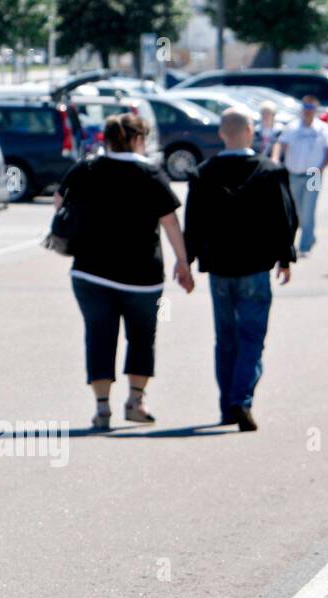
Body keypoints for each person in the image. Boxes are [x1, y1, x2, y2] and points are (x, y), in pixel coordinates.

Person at [54, 113, 194, 430]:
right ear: (136, 138)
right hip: (141, 276)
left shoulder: (86, 168)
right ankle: (135, 402)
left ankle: (102, 408)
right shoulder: (150, 173)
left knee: (99, 336)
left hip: (90, 272)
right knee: (142, 338)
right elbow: (170, 221)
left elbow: (60, 200)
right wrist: (183, 262)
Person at [185, 107, 297, 430]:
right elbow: (284, 218)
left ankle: (227, 406)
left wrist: (187, 261)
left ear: (222, 133)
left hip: (219, 268)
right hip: (254, 266)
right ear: (250, 131)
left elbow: (193, 223)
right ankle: (241, 400)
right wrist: (285, 257)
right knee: (252, 337)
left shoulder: (203, 174)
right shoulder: (269, 171)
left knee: (226, 338)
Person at [272, 95, 328, 257]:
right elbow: (281, 143)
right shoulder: (292, 127)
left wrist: (322, 168)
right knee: (298, 209)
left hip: (314, 173)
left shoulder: (322, 129)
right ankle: (310, 235)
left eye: (311, 109)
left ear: (315, 111)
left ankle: (305, 245)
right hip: (294, 172)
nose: (308, 112)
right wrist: (276, 158)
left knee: (309, 209)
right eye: (306, 108)